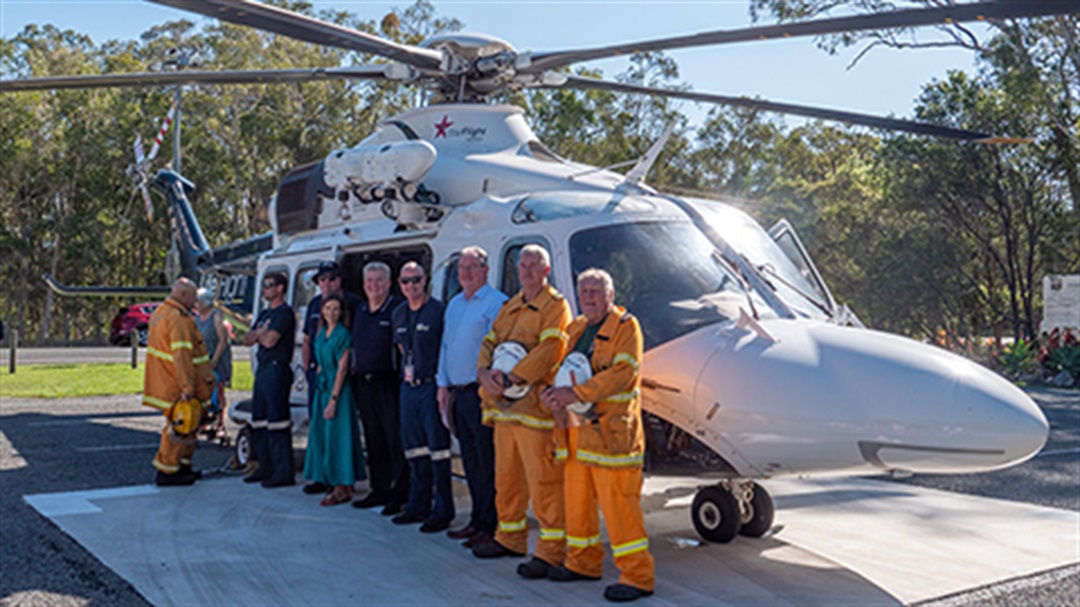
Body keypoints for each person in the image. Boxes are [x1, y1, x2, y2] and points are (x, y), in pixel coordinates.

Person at [541, 268, 655, 603]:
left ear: (610, 295)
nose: (589, 297)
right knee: (578, 505)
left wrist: (574, 394)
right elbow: (561, 370)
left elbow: (623, 373)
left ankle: (637, 576)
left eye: (595, 291)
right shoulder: (576, 328)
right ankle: (582, 562)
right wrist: (552, 393)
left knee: (620, 509)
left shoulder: (626, 327)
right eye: (584, 291)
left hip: (611, 436)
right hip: (577, 433)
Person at [473, 244, 572, 581]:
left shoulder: (555, 306)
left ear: (546, 271)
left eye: (534, 266)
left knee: (544, 482)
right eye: (522, 265)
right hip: (504, 410)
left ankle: (550, 550)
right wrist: (484, 375)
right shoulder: (510, 307)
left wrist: (512, 377)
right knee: (507, 479)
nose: (527, 271)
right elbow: (489, 342)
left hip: (534, 412)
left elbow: (552, 349)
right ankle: (510, 537)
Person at [436, 246, 507, 547]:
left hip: (482, 395)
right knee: (470, 462)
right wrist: (442, 384)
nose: (465, 273)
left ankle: (491, 525)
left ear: (485, 270)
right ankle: (477, 519)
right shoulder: (453, 304)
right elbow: (446, 346)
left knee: (487, 462)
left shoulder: (496, 303)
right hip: (458, 394)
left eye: (472, 267)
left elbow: (498, 352)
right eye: (461, 268)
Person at [391, 262, 454, 533]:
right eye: (406, 282)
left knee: (438, 451)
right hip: (409, 388)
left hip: (431, 386)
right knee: (414, 449)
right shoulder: (398, 313)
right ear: (399, 284)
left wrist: (444, 386)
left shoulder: (438, 311)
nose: (411, 286)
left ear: (425, 280)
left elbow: (446, 349)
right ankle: (418, 505)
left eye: (416, 280)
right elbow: (401, 347)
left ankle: (443, 510)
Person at [142, 278, 214, 486]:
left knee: (186, 428)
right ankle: (168, 471)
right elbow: (182, 355)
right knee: (180, 427)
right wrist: (187, 387)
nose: (195, 301)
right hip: (178, 385)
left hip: (165, 381)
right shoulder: (178, 319)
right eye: (193, 296)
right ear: (183, 295)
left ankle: (182, 467)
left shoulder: (161, 312)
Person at [350, 261, 410, 515]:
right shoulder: (361, 310)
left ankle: (400, 494)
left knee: (395, 439)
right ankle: (379, 489)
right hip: (364, 382)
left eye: (379, 280)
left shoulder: (396, 308)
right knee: (373, 439)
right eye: (370, 281)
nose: (374, 285)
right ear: (364, 285)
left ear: (389, 283)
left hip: (389, 382)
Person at [301, 260, 362, 494]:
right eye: (322, 279)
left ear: (340, 280)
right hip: (320, 382)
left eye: (331, 278)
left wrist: (334, 397)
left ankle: (341, 480)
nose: (326, 283)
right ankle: (321, 477)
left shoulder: (353, 306)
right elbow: (308, 339)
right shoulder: (315, 305)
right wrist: (309, 371)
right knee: (319, 431)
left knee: (338, 432)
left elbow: (343, 366)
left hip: (338, 384)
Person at [242, 271, 297, 489]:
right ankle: (265, 466)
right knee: (260, 420)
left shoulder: (284, 313)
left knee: (277, 421)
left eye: (269, 285)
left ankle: (283, 471)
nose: (265, 289)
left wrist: (260, 334)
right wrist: (258, 333)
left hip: (277, 369)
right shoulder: (265, 314)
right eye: (264, 285)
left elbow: (270, 341)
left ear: (280, 288)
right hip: (262, 369)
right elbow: (247, 339)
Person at [193, 288, 232, 439]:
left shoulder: (216, 316)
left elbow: (223, 340)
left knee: (219, 390)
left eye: (198, 301)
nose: (195, 304)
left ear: (206, 301)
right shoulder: (197, 318)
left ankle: (220, 424)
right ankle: (206, 422)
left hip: (218, 358)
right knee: (203, 391)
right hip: (203, 359)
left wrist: (214, 361)